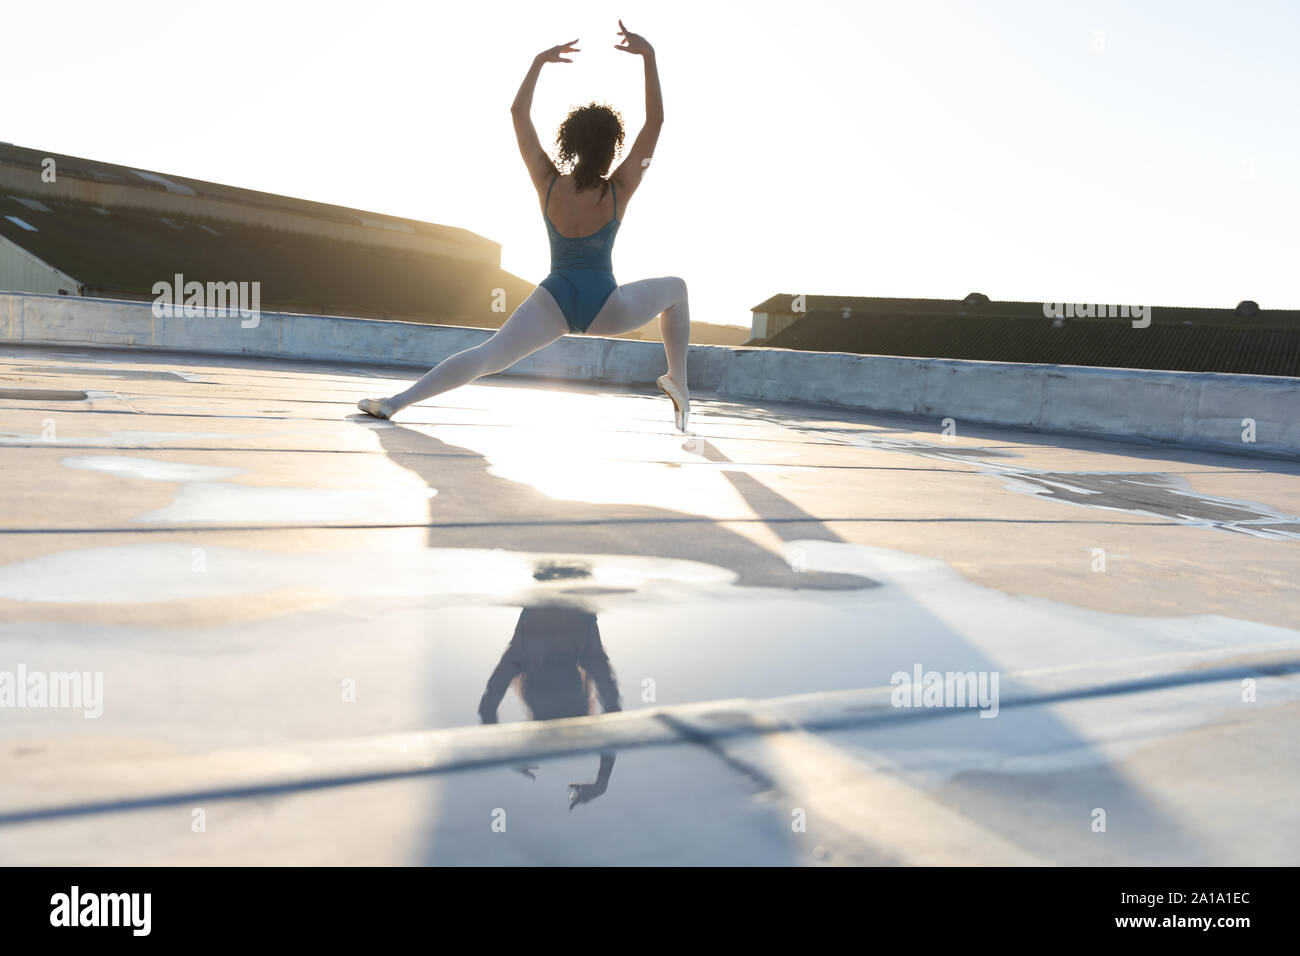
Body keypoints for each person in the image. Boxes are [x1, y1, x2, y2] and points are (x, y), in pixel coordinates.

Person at [357, 21, 692, 430]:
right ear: (612, 148)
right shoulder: (621, 187)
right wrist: (649, 57)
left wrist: (539, 63)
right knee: (677, 289)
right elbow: (654, 124)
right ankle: (678, 379)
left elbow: (518, 113)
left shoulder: (547, 182)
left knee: (486, 356)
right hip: (606, 306)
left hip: (553, 302)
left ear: (570, 142)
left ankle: (395, 402)